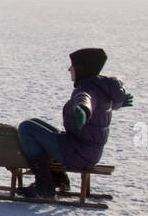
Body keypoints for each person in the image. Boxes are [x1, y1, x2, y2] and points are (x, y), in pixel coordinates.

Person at [16, 48, 132, 200]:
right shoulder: (100, 87)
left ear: (82, 68)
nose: (69, 69)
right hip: (88, 151)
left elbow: (85, 99)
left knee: (26, 128)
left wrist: (83, 109)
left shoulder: (86, 89)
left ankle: (44, 186)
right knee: (35, 123)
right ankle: (58, 178)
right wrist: (119, 103)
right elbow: (106, 103)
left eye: (73, 65)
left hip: (78, 154)